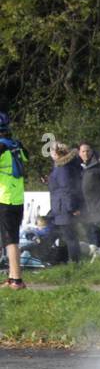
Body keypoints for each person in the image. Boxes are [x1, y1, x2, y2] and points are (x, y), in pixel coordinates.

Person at [0, 111, 28, 289]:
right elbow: (26, 159)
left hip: (5, 199)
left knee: (11, 241)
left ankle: (16, 280)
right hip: (16, 199)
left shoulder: (1, 147)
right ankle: (11, 278)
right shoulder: (16, 145)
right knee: (7, 238)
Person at [48, 142, 84, 264]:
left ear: (57, 153)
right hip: (60, 206)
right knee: (67, 236)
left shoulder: (62, 168)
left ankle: (75, 263)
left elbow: (66, 189)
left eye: (52, 151)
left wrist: (71, 207)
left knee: (70, 237)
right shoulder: (61, 167)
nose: (51, 154)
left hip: (64, 207)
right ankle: (68, 261)